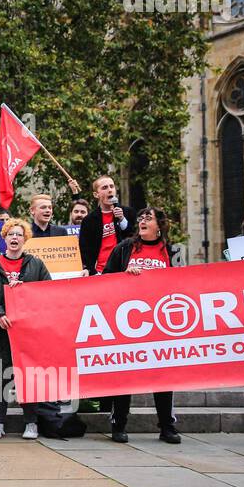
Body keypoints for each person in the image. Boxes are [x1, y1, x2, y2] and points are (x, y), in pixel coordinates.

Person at [101, 207, 181, 444]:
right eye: (141, 218)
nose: (142, 221)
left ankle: (167, 426)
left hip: (160, 321)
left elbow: (183, 282)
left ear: (159, 224)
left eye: (149, 218)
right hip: (129, 321)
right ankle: (119, 424)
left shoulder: (171, 251)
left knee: (163, 376)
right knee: (125, 374)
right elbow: (105, 279)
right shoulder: (125, 248)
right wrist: (124, 275)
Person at [0, 219, 51, 440]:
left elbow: (47, 292)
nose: (15, 238)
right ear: (4, 238)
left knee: (28, 376)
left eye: (19, 234)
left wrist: (25, 291)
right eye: (11, 234)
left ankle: (31, 422)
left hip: (28, 332)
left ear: (25, 238)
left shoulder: (36, 264)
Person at [78, 176, 136, 276]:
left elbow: (134, 237)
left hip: (124, 270)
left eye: (111, 187)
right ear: (96, 194)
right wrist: (91, 270)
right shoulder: (89, 220)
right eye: (104, 188)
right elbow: (84, 250)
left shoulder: (128, 212)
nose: (109, 190)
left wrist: (122, 219)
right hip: (100, 272)